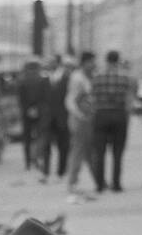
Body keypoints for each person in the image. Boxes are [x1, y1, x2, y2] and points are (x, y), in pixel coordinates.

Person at [89, 50, 135, 193]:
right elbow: (130, 100)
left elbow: (92, 97)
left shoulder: (97, 76)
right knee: (118, 151)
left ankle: (100, 185)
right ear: (118, 60)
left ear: (106, 60)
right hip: (119, 114)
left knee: (99, 152)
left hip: (101, 114)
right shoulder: (126, 77)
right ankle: (116, 184)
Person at [65, 51, 96, 192]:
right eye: (92, 61)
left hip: (87, 119)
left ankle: (99, 180)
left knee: (90, 151)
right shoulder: (77, 78)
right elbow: (70, 100)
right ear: (85, 62)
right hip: (79, 119)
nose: (94, 64)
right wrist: (79, 114)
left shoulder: (89, 76)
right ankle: (72, 182)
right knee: (78, 151)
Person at [38, 55, 72, 182]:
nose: (49, 64)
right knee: (45, 145)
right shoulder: (44, 79)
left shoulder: (67, 78)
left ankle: (61, 172)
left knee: (63, 146)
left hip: (62, 117)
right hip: (47, 118)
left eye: (51, 62)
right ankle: (45, 172)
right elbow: (40, 99)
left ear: (58, 63)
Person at [16, 60, 49, 171]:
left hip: (26, 113)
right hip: (40, 112)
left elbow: (20, 99)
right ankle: (39, 158)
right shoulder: (43, 80)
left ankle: (28, 162)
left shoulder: (22, 81)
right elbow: (45, 97)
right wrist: (36, 108)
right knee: (40, 136)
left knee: (27, 138)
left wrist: (28, 109)